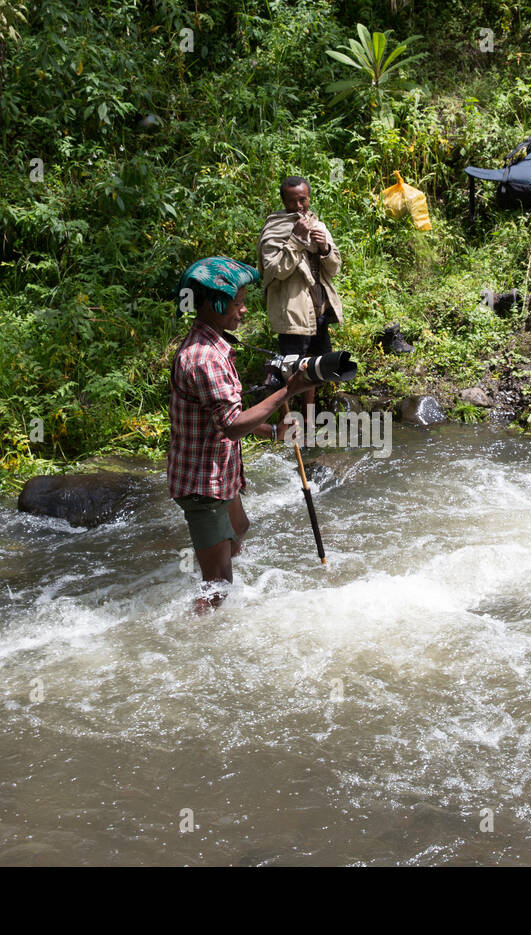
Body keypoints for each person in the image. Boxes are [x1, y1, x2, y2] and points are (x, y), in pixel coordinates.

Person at [168, 256, 310, 613]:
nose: (244, 310)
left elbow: (224, 419)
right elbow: (230, 424)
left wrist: (274, 432)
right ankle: (196, 639)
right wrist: (288, 391)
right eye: (237, 302)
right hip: (203, 484)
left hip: (218, 476)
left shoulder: (216, 346)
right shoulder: (204, 358)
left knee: (239, 531)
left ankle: (216, 592)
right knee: (217, 584)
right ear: (215, 304)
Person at [257, 176, 343, 417]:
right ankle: (286, 423)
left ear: (309, 198)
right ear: (283, 200)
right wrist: (295, 239)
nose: (298, 206)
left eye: (302, 200)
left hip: (318, 309)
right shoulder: (275, 228)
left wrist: (325, 248)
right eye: (292, 201)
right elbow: (275, 270)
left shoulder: (318, 225)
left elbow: (334, 268)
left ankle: (309, 418)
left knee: (315, 366)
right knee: (291, 369)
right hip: (293, 312)